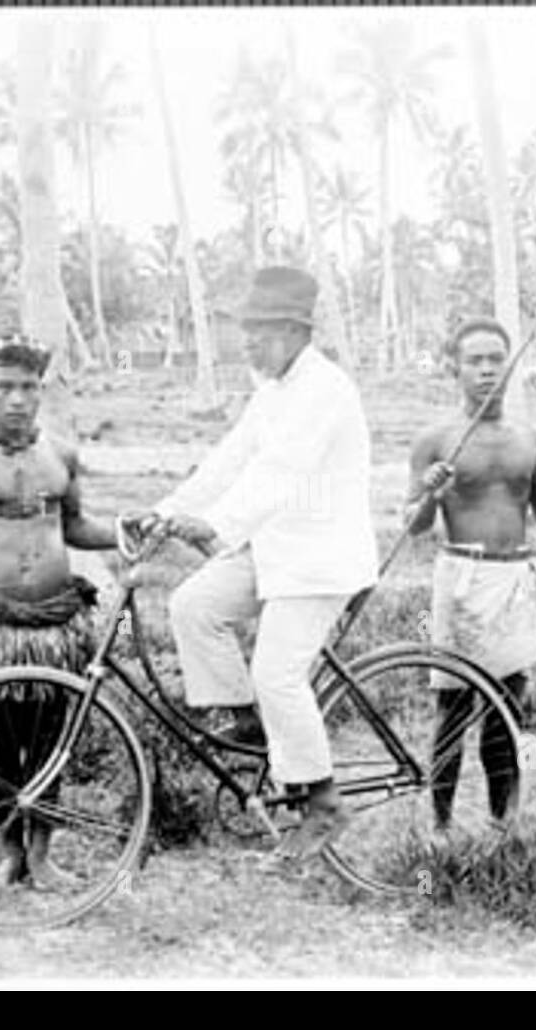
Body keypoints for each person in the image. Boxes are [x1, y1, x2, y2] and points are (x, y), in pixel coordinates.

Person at [146, 266, 379, 859]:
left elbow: (282, 473)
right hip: (275, 549)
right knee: (193, 605)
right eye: (244, 330)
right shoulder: (271, 391)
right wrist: (167, 509)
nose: (246, 343)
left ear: (294, 331)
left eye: (258, 331)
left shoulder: (325, 389)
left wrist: (218, 525)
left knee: (277, 673)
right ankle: (252, 729)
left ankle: (323, 803)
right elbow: (229, 460)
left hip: (320, 561)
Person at [0, 334, 117, 889]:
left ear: (41, 391)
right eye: (4, 387)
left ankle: (42, 857)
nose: (16, 399)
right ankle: (10, 856)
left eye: (28, 387)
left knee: (54, 742)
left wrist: (129, 532)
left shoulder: (62, 456)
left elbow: (75, 526)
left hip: (58, 625)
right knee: (3, 745)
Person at [405, 317, 536, 828]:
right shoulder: (435, 439)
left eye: (496, 359)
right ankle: (440, 829)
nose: (487, 370)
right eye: (474, 360)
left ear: (511, 365)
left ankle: (503, 826)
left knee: (506, 711)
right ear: (454, 368)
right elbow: (414, 526)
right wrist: (430, 492)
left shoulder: (529, 438)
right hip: (461, 577)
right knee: (452, 709)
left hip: (514, 579)